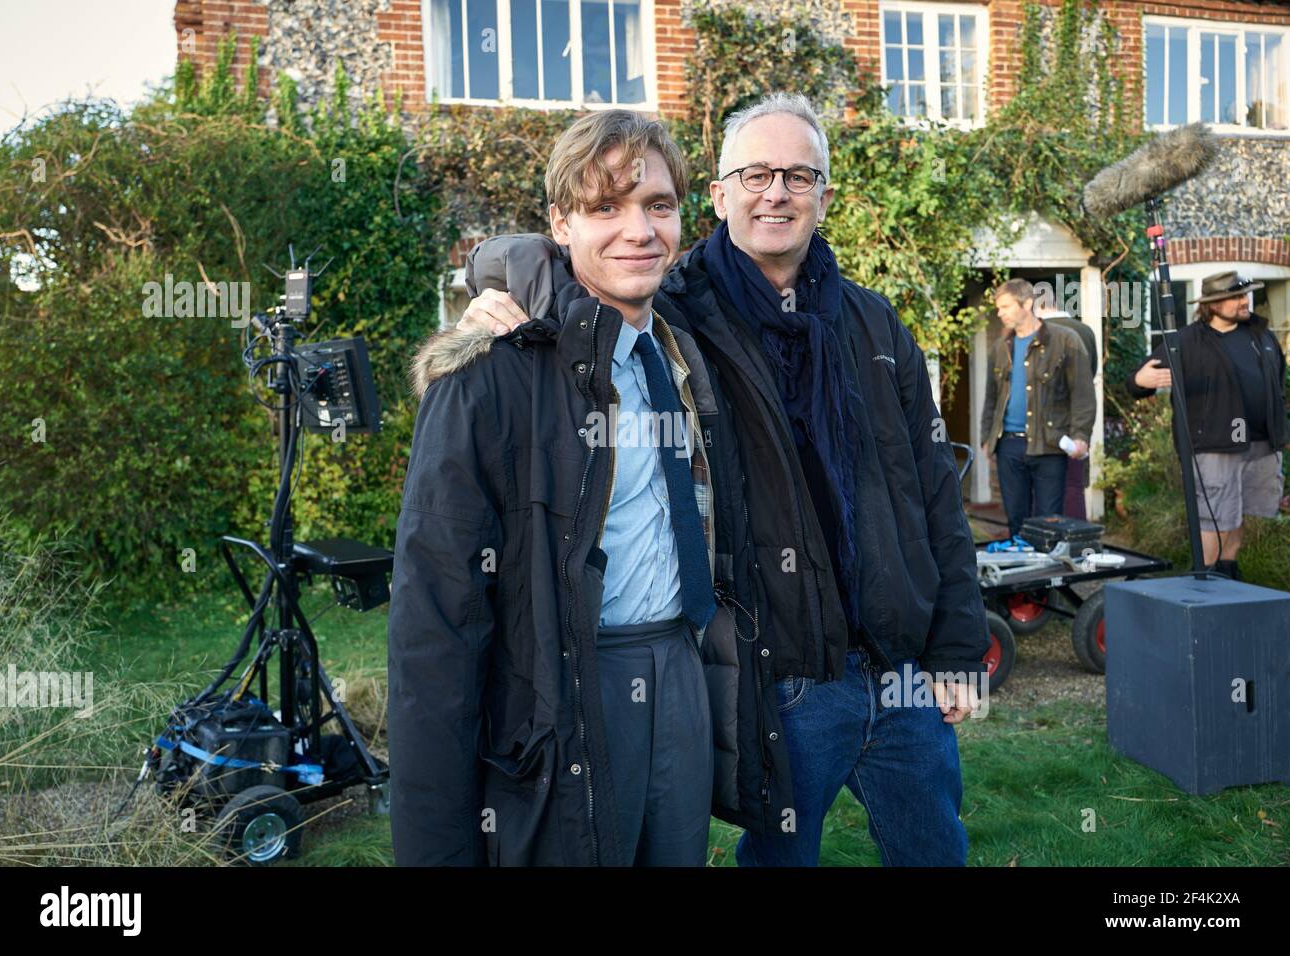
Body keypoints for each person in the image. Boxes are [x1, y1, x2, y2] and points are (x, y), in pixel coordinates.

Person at [457, 93, 989, 867]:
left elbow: (937, 491)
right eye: (755, 174)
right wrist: (496, 282)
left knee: (935, 851)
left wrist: (957, 647)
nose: (776, 192)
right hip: (783, 675)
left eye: (799, 176)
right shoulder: (674, 314)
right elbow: (569, 257)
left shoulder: (875, 326)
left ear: (825, 196)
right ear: (718, 194)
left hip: (900, 664)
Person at [388, 110, 720, 865]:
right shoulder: (488, 377)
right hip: (569, 683)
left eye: (657, 206)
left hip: (678, 669)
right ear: (560, 224)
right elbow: (435, 624)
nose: (638, 230)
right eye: (606, 207)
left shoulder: (676, 350)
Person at [1126, 271, 1288, 580]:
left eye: (1246, 294)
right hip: (1215, 444)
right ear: (1213, 304)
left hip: (1261, 443)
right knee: (1214, 515)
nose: (1245, 301)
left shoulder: (1261, 335)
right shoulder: (1186, 341)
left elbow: (1277, 382)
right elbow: (1136, 380)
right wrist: (1139, 380)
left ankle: (1229, 569)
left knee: (1241, 511)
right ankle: (1204, 578)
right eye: (1236, 297)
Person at [979, 279, 1094, 539]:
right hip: (1008, 444)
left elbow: (1083, 394)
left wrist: (1080, 436)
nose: (1000, 313)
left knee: (1048, 521)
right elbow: (991, 397)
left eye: (1006, 306)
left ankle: (1050, 578)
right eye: (998, 308)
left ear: (1027, 303)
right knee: (1016, 520)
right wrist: (987, 437)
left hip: (1049, 443)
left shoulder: (1066, 341)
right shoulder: (1000, 347)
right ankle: (1023, 575)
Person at [1034, 297, 1097, 520]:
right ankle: (1079, 540)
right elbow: (1091, 372)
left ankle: (1052, 541)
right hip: (1079, 417)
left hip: (1049, 423)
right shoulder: (1086, 331)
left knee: (1047, 491)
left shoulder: (1042, 332)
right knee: (1074, 485)